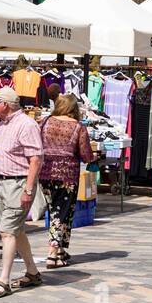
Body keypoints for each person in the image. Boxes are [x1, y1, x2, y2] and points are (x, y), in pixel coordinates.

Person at [0, 86, 44, 297]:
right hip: (1, 183)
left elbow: (36, 159)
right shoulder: (2, 125)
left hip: (18, 184)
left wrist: (28, 189)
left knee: (7, 231)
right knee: (16, 230)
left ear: (5, 105)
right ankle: (32, 273)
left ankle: (3, 280)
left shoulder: (26, 125)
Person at [38, 94, 94, 269]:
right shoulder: (78, 127)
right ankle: (52, 254)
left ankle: (60, 250)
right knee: (61, 213)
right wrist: (93, 158)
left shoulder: (44, 122)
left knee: (56, 211)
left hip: (45, 172)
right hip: (67, 174)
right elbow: (85, 154)